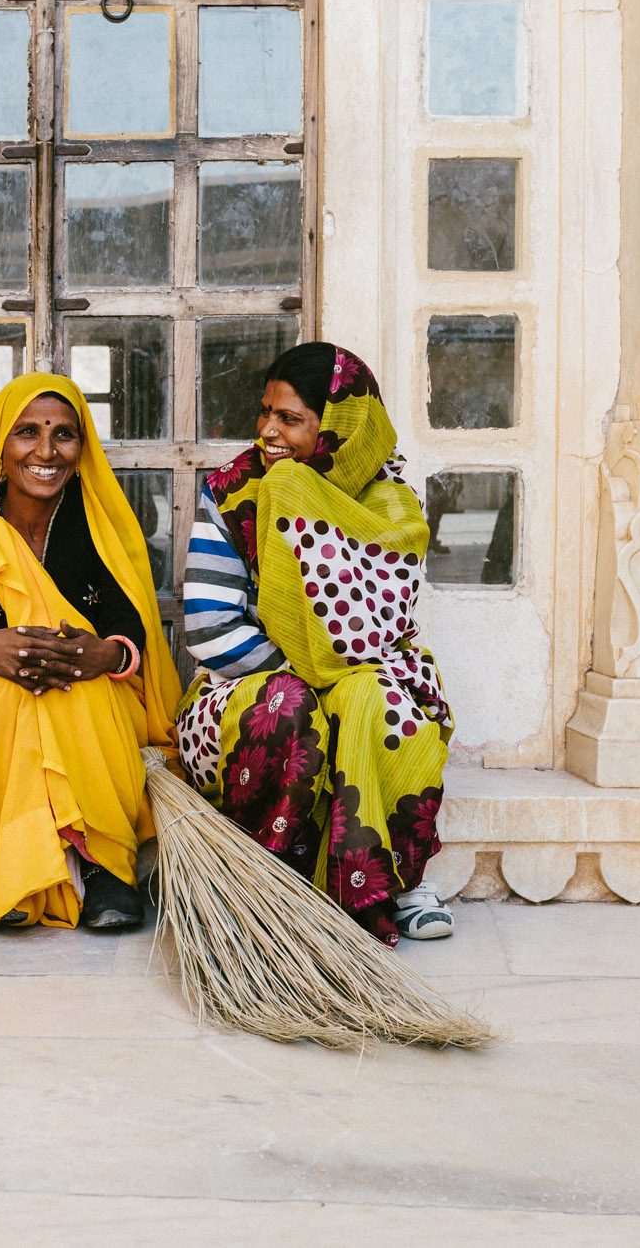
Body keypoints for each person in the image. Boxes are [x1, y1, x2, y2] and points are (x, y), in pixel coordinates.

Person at [177, 342, 456, 942]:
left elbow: (386, 627)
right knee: (295, 709)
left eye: (290, 419)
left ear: (340, 428)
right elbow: (208, 628)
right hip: (245, 693)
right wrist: (309, 680)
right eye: (265, 413)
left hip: (360, 676)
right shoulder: (233, 494)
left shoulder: (393, 502)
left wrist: (343, 686)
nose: (268, 432)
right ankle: (268, 881)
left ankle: (393, 879)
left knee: (376, 702)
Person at [0, 375, 181, 931]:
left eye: (63, 434)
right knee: (9, 690)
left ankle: (102, 868)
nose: (46, 451)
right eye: (28, 432)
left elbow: (128, 621)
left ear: (81, 449)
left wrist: (106, 656)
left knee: (75, 688)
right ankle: (16, 870)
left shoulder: (102, 529)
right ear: (0, 445)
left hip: (94, 699)